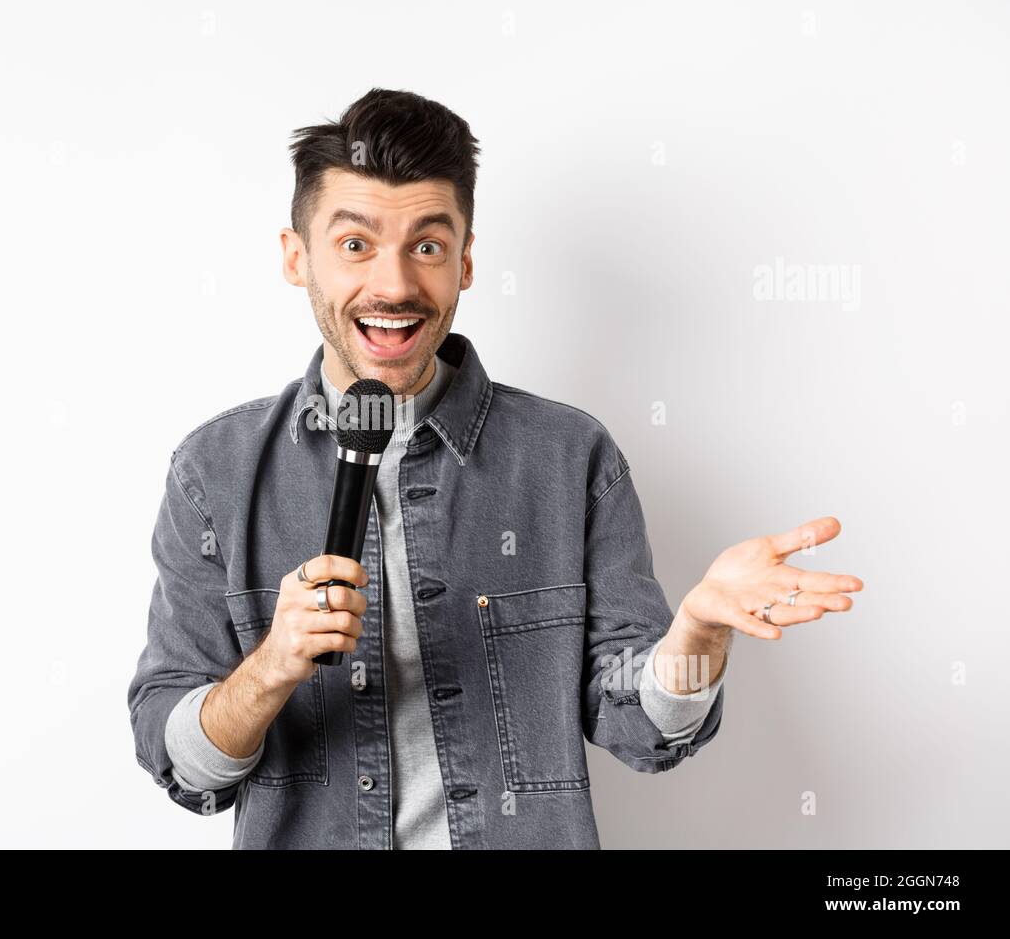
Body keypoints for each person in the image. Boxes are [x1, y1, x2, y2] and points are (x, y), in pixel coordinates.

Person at [126, 88, 864, 849]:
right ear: (295, 256)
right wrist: (271, 668)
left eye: (427, 245)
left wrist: (698, 634)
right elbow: (178, 760)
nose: (394, 286)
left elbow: (640, 732)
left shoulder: (569, 457)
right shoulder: (213, 473)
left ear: (465, 262)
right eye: (355, 245)